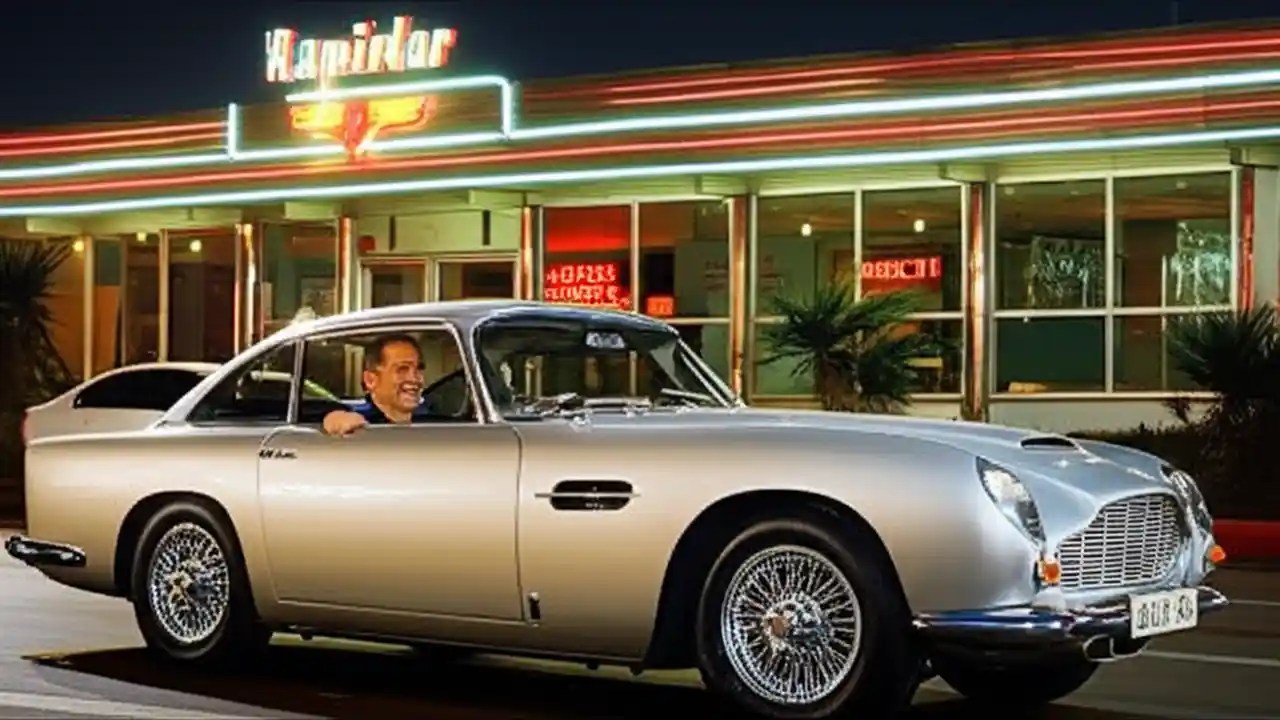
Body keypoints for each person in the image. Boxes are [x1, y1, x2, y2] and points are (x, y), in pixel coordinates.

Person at [322, 333, 424, 436]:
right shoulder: (358, 424)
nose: (414, 378)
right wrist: (333, 419)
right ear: (370, 380)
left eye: (419, 368)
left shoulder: (433, 419)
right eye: (402, 369)